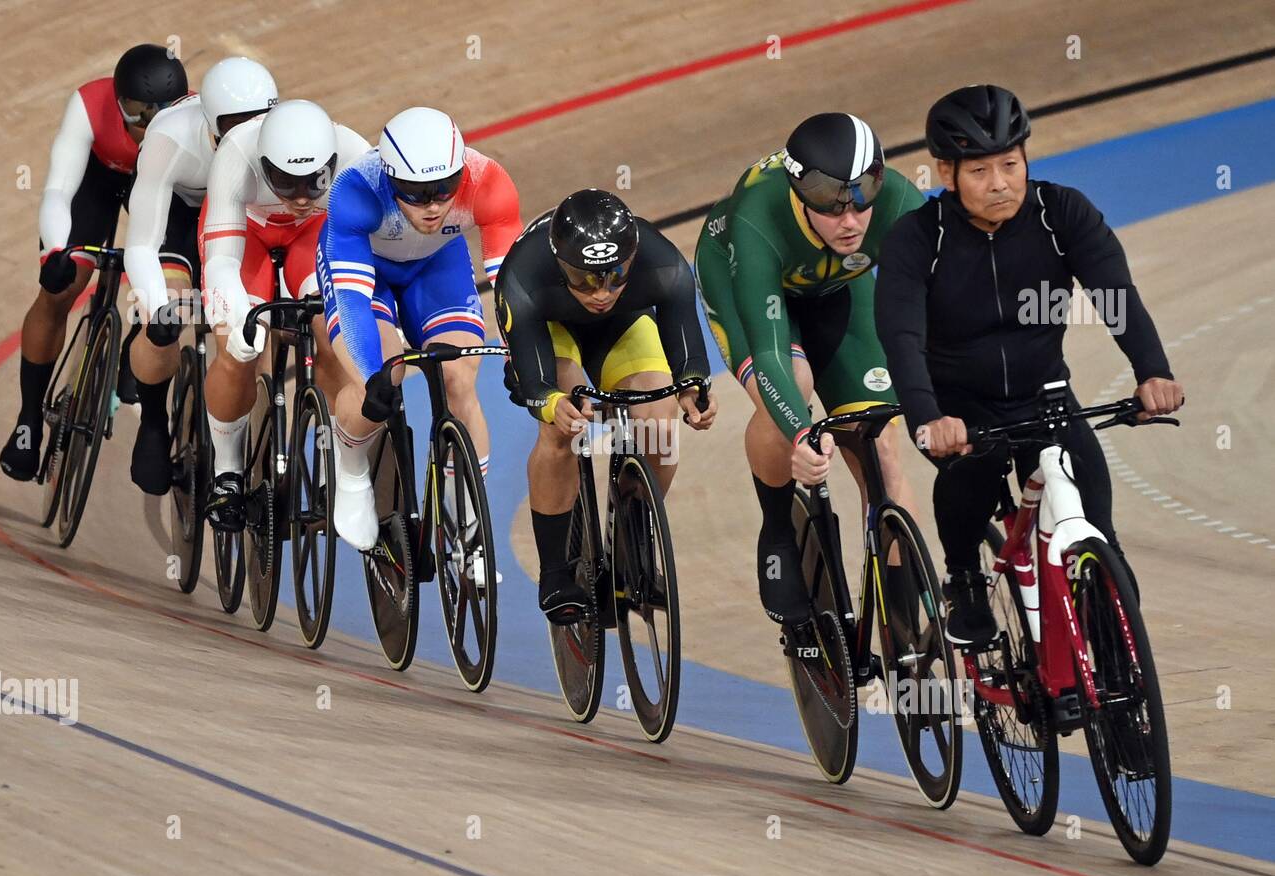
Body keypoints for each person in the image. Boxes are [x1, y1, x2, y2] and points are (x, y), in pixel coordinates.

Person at [875, 84, 1185, 646]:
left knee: (1100, 530)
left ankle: (1116, 674)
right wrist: (928, 416)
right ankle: (965, 576)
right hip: (958, 407)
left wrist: (1152, 372)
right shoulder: (917, 240)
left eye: (1010, 165)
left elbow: (1116, 296)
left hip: (1044, 394)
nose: (999, 183)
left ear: (1026, 159)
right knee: (972, 470)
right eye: (979, 172)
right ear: (945, 174)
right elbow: (901, 338)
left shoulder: (1061, 213)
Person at [693, 112, 923, 653]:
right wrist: (800, 433)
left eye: (861, 196)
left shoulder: (899, 202)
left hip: (836, 293)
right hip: (747, 285)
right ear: (800, 195)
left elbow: (944, 305)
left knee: (883, 446)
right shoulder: (756, 217)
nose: (850, 219)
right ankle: (778, 529)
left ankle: (903, 619)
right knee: (791, 385)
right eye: (830, 205)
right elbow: (770, 354)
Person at [497, 189, 717, 624]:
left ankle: (630, 548)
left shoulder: (664, 261)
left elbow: (687, 352)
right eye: (584, 279)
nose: (601, 292)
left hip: (624, 327)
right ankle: (556, 572)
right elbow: (536, 382)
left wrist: (692, 390)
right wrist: (548, 402)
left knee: (660, 426)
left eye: (616, 275)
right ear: (561, 267)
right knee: (567, 427)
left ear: (633, 260)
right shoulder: (524, 273)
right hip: (551, 331)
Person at [318, 107, 522, 555]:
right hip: (369, 275)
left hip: (436, 266)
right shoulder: (356, 190)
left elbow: (512, 285)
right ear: (391, 179)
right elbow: (351, 301)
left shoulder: (488, 182)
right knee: (381, 379)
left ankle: (468, 510)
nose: (432, 206)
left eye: (443, 191)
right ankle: (351, 476)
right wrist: (370, 373)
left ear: (461, 172)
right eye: (415, 193)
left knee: (459, 378)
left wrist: (519, 352)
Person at [0, 43, 188, 481]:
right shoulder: (88, 104)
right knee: (61, 287)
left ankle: (135, 350)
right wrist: (55, 253)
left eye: (158, 112)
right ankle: (29, 417)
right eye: (136, 111)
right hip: (98, 181)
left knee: (166, 289)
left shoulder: (190, 122)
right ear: (118, 99)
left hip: (159, 184)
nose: (146, 124)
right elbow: (58, 191)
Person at [200, 100, 370, 530]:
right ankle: (227, 473)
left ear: (333, 163)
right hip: (246, 231)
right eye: (284, 183)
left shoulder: (356, 155)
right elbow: (221, 261)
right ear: (263, 165)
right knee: (239, 349)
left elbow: (374, 252)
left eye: (315, 183)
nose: (298, 197)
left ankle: (337, 450)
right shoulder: (236, 152)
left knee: (328, 328)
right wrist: (239, 312)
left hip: (315, 232)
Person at [124, 56, 278, 495]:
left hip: (239, 217)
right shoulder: (169, 139)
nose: (248, 133)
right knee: (167, 313)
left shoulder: (279, 140)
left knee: (256, 333)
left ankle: (260, 458)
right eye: (235, 124)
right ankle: (154, 421)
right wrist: (158, 311)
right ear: (209, 121)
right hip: (177, 215)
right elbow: (140, 245)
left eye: (259, 122)